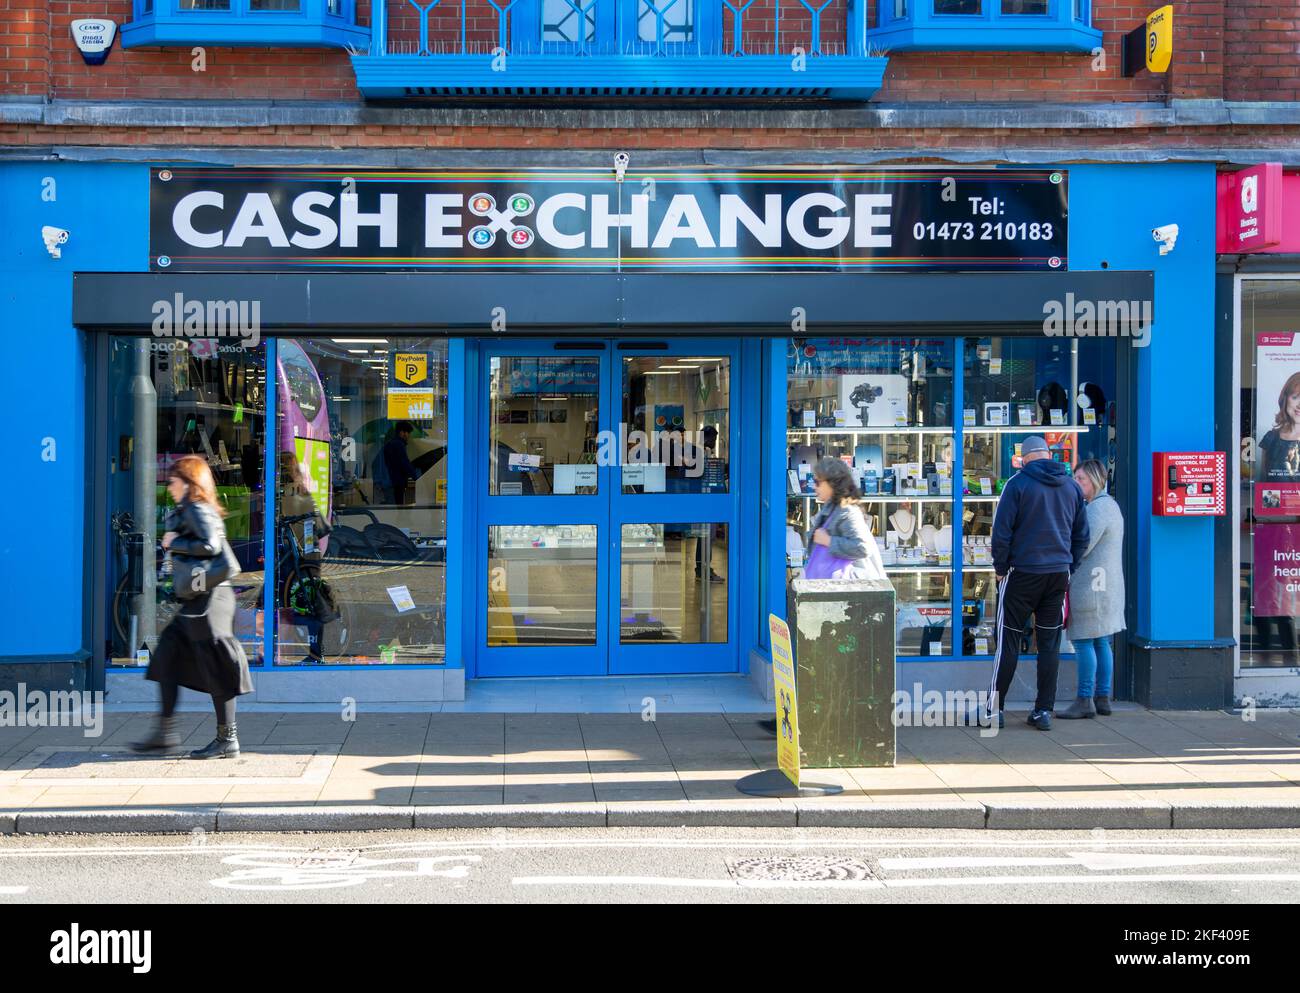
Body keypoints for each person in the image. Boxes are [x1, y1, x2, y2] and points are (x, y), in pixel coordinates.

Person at [131, 455, 254, 759]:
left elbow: (211, 546)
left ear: (188, 483)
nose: (168, 486)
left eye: (173, 481)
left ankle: (227, 739)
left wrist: (174, 543)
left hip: (210, 600)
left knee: (216, 666)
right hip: (198, 598)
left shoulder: (197, 508)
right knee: (166, 658)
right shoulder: (188, 509)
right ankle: (165, 734)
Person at [986, 436, 1089, 731]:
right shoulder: (1071, 486)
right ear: (1047, 454)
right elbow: (1082, 534)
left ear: (1026, 456)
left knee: (1008, 641)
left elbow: (1001, 531)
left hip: (1022, 572)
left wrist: (1000, 567)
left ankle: (994, 710)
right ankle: (1043, 711)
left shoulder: (1017, 484)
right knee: (1049, 644)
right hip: (1057, 574)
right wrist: (1070, 565)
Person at [1058, 459, 1125, 719]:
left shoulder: (1097, 510)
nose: (1077, 484)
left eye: (1081, 480)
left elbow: (1081, 545)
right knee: (1101, 641)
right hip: (1107, 584)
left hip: (1092, 586)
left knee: (1084, 640)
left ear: (1095, 480)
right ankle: (1102, 697)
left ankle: (1085, 699)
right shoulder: (1110, 506)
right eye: (1075, 479)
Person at [805, 457, 885, 579]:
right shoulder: (833, 509)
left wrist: (828, 541)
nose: (814, 487)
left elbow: (862, 548)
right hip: (837, 587)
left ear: (832, 483)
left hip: (850, 590)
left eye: (818, 482)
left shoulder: (847, 510)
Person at [1258, 371, 1300, 482]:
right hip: (1276, 498)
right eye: (1295, 397)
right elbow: (1263, 479)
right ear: (1285, 400)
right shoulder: (1271, 437)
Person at [383, 421, 419, 505]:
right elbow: (404, 463)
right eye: (408, 433)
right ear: (402, 432)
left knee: (393, 507)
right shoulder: (399, 445)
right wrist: (416, 477)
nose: (409, 436)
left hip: (390, 482)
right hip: (397, 482)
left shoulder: (389, 444)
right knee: (399, 508)